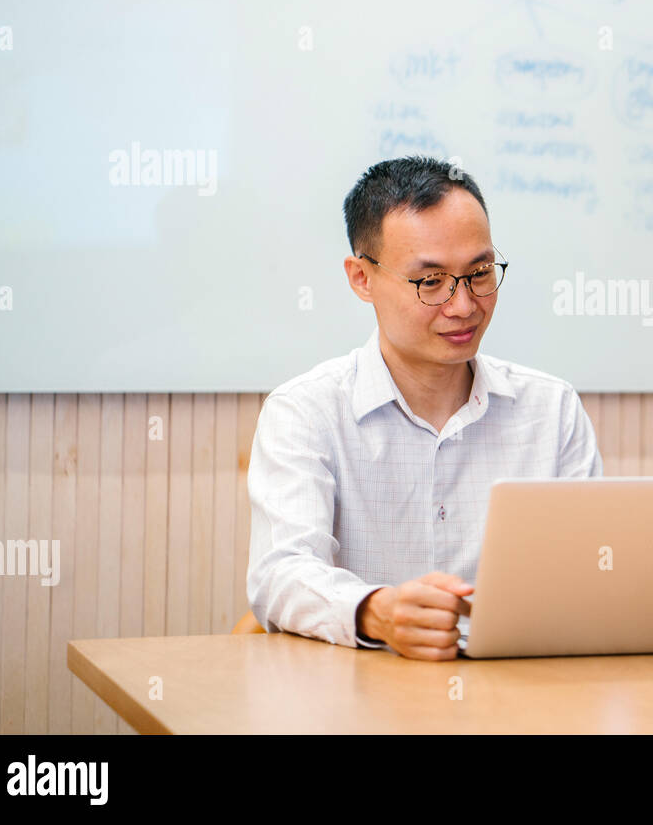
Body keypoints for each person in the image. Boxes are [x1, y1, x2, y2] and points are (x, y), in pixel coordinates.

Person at [246, 156, 602, 659]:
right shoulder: (306, 411)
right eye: (430, 283)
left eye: (480, 273)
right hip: (361, 698)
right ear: (361, 278)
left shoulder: (551, 408)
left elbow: (592, 571)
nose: (463, 305)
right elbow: (280, 574)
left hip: (519, 697)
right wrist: (377, 612)